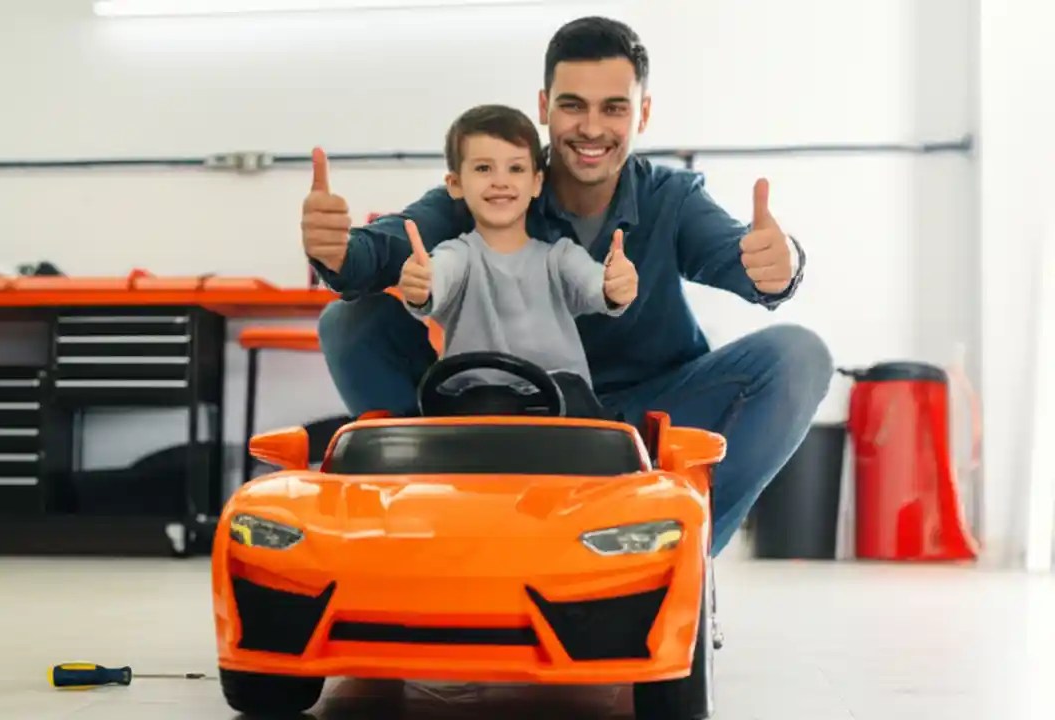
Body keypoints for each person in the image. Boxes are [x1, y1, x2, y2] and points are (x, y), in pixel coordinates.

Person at [299, 15, 833, 556]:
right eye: (573, 105)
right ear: (544, 106)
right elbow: (392, 245)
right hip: (503, 417)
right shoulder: (497, 186)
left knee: (799, 355)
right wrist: (341, 251)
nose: (592, 128)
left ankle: (675, 560)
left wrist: (781, 262)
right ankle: (428, 524)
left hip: (646, 416)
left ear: (642, 113)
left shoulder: (671, 199)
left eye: (614, 108)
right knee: (348, 322)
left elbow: (740, 259)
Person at [397, 103, 635, 419]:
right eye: (484, 168)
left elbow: (594, 284)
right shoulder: (458, 256)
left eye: (516, 169)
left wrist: (613, 285)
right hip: (476, 411)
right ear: (455, 184)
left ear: (537, 182)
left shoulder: (559, 257)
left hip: (561, 417)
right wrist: (421, 285)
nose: (500, 182)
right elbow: (437, 276)